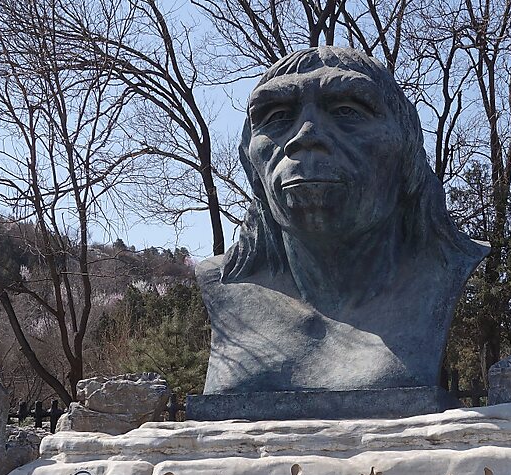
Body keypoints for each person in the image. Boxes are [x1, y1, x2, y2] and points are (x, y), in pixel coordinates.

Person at [197, 46, 487, 395]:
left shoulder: (442, 274)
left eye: (348, 111)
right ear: (251, 163)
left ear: (406, 147)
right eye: (275, 116)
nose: (306, 135)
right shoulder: (223, 282)